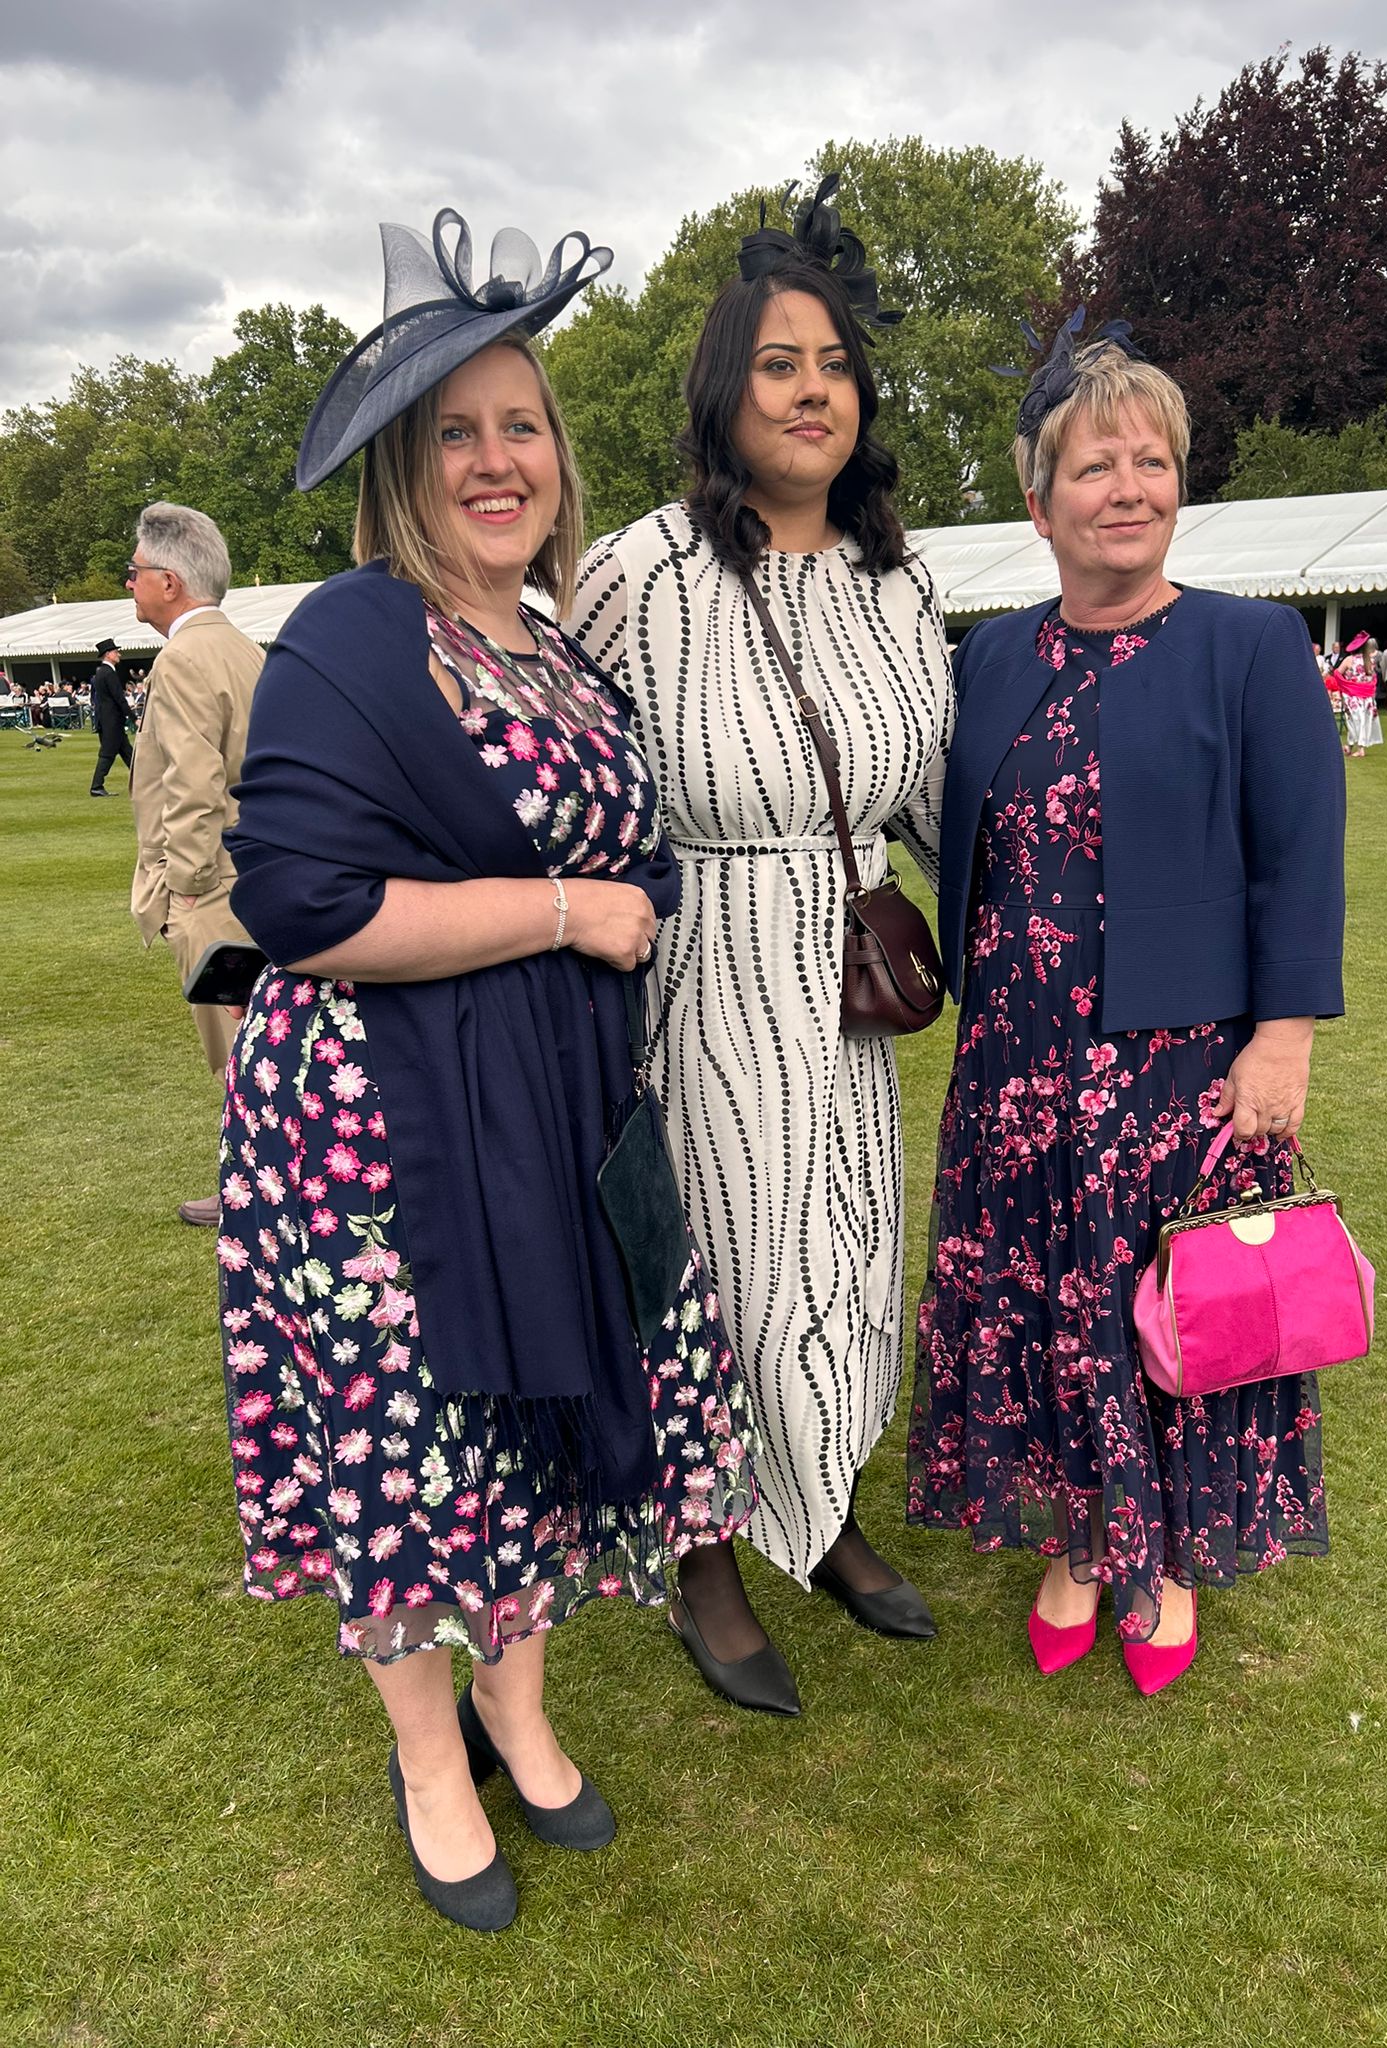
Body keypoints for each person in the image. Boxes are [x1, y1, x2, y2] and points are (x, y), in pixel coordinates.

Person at [218, 207, 758, 1933]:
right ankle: (428, 1758)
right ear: (402, 468)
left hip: (552, 1103)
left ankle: (517, 1712)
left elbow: (636, 866)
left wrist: (617, 909)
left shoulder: (557, 645)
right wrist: (568, 911)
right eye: (454, 431)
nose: (495, 458)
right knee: (413, 1442)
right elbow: (301, 906)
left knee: (524, 1435)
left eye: (522, 423)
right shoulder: (354, 635)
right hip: (385, 1134)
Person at [906, 317, 1342, 1694]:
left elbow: (1299, 855)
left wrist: (1282, 1038)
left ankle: (1164, 1556)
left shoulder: (1250, 646)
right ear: (1039, 502)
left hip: (1179, 1062)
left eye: (1152, 461)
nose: (1128, 487)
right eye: (1095, 465)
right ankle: (1083, 1542)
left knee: (1164, 1305)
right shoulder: (988, 659)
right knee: (1045, 1301)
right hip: (1017, 1058)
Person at [568, 173, 953, 1714]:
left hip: (850, 972)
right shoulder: (642, 573)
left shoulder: (898, 578)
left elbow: (934, 788)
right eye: (780, 364)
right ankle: (707, 1552)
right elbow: (561, 766)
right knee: (729, 1267)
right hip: (707, 966)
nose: (812, 391)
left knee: (848, 1248)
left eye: (835, 365)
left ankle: (827, 1508)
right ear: (726, 392)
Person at [126, 503, 265, 1223]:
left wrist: (186, 888)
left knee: (235, 1051)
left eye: (134, 572)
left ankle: (254, 1187)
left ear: (170, 581)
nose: (130, 584)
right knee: (260, 1041)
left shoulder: (182, 658)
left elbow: (192, 785)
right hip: (256, 874)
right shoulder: (245, 649)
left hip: (215, 887)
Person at [88, 638, 134, 794]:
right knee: (107, 754)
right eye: (116, 652)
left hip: (108, 720)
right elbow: (119, 698)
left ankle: (143, 781)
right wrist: (134, 717)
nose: (119, 654)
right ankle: (96, 786)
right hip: (111, 721)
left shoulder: (100, 672)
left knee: (128, 753)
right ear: (108, 654)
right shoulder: (108, 673)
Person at [1335, 632, 1384, 757]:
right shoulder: (1369, 661)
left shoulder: (1349, 660)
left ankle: (1360, 748)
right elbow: (1372, 678)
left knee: (1355, 720)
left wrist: (1345, 684)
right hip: (1366, 696)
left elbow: (1337, 673)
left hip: (1353, 695)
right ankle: (1350, 746)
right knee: (1361, 720)